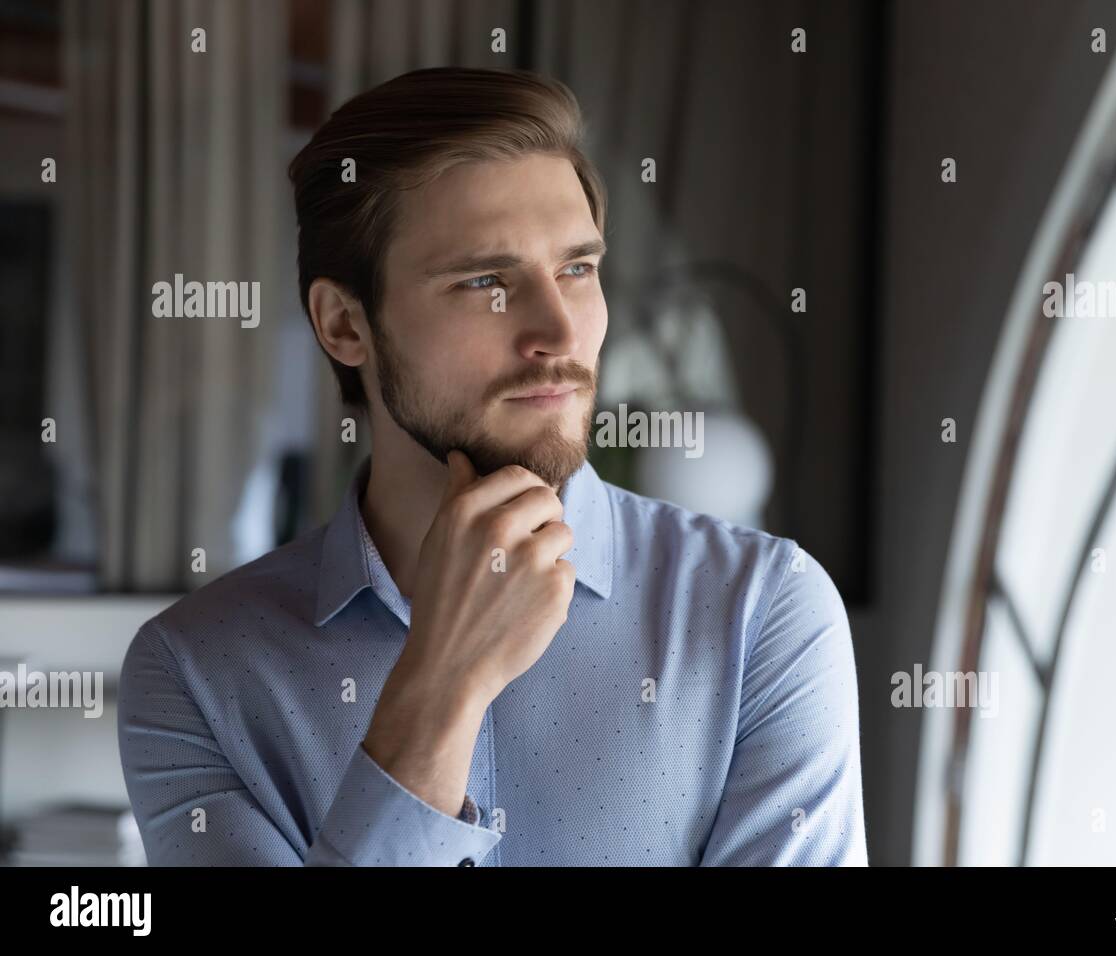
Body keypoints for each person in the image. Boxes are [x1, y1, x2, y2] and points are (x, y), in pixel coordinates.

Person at [117, 66, 867, 866]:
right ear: (344, 325)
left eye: (578, 269)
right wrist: (441, 689)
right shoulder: (194, 672)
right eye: (487, 282)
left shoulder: (761, 615)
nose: (558, 328)